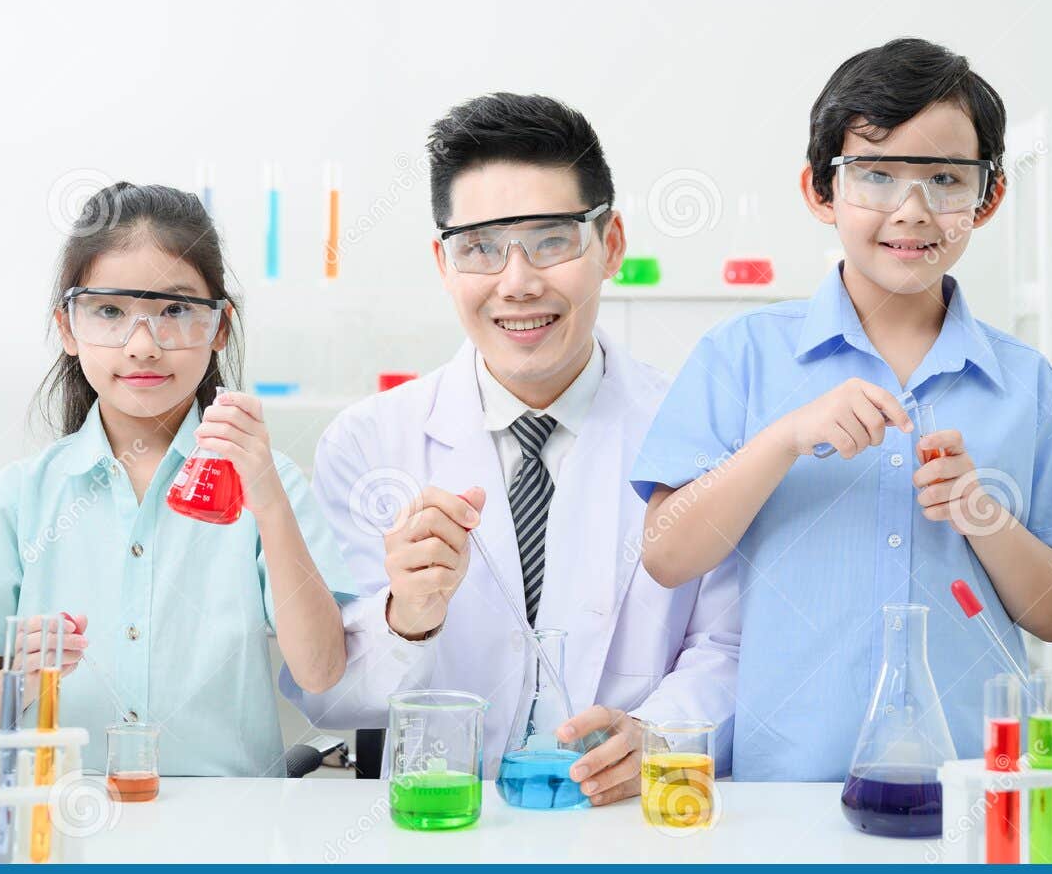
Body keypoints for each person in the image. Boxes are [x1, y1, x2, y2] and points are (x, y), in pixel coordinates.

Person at [631, 38, 1052, 780]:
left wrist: (978, 510)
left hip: (975, 789)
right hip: (784, 788)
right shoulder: (742, 355)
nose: (913, 210)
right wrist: (784, 438)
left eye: (947, 180)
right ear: (819, 191)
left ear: (987, 198)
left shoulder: (1025, 383)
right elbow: (666, 553)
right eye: (877, 175)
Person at [285, 92, 739, 804]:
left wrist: (659, 731)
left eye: (552, 239)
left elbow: (730, 645)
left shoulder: (697, 430)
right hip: (442, 831)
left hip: (630, 825)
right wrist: (407, 615)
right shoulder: (369, 443)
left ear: (610, 244)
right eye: (480, 248)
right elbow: (329, 696)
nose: (517, 280)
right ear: (444, 262)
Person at [0, 182, 353, 774]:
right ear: (68, 329)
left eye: (175, 310)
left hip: (227, 829)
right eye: (109, 312)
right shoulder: (19, 498)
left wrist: (270, 505)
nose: (144, 345)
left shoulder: (268, 485)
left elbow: (322, 671)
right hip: (65, 826)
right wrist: (24, 682)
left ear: (219, 326)